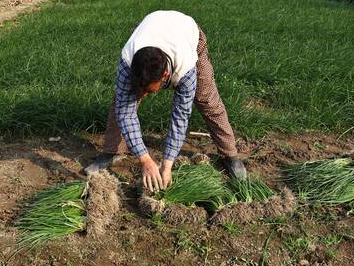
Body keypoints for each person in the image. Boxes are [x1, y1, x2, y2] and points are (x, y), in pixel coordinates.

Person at [84, 10, 246, 191]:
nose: (143, 94)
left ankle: (230, 154)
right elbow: (125, 112)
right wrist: (145, 159)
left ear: (165, 76)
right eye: (141, 88)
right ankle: (112, 151)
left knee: (207, 99)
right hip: (152, 26)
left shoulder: (186, 68)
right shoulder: (128, 62)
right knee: (122, 102)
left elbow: (180, 117)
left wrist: (167, 165)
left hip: (189, 33)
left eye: (148, 89)